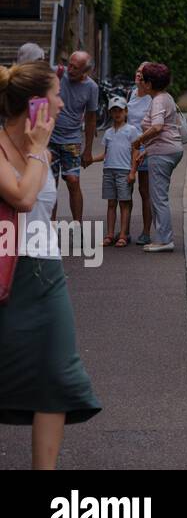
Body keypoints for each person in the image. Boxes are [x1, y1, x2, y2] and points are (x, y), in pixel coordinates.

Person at [0, 61, 101, 468]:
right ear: (37, 104)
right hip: (8, 273)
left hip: (46, 272)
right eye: (56, 94)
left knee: (57, 375)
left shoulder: (39, 147)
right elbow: (23, 197)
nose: (63, 102)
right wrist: (40, 148)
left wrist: (39, 148)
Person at [132, 62, 182, 253]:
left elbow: (158, 126)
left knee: (158, 197)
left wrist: (138, 141)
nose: (140, 82)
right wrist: (147, 150)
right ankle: (163, 237)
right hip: (165, 150)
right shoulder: (165, 97)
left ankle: (164, 240)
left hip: (163, 152)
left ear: (149, 83)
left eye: (143, 80)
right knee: (158, 196)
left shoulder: (159, 100)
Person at [48, 51, 97, 224]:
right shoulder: (57, 73)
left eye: (75, 68)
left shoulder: (91, 88)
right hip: (50, 139)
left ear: (85, 71)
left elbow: (91, 118)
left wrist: (88, 150)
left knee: (73, 181)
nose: (70, 69)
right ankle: (50, 229)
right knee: (50, 185)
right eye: (69, 64)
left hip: (72, 140)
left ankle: (77, 227)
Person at [93, 97, 138, 248]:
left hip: (124, 171)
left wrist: (133, 172)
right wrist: (90, 159)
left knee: (124, 203)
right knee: (111, 203)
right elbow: (105, 154)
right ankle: (110, 234)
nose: (117, 113)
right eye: (114, 111)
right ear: (110, 113)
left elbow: (135, 153)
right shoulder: (108, 133)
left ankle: (123, 234)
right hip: (109, 171)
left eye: (120, 110)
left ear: (126, 112)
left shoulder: (131, 131)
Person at [126, 63, 153, 245]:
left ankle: (146, 231)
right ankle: (124, 231)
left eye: (142, 73)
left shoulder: (153, 99)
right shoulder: (131, 94)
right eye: (137, 70)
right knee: (125, 190)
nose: (138, 74)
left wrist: (144, 145)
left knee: (144, 191)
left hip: (144, 147)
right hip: (126, 147)